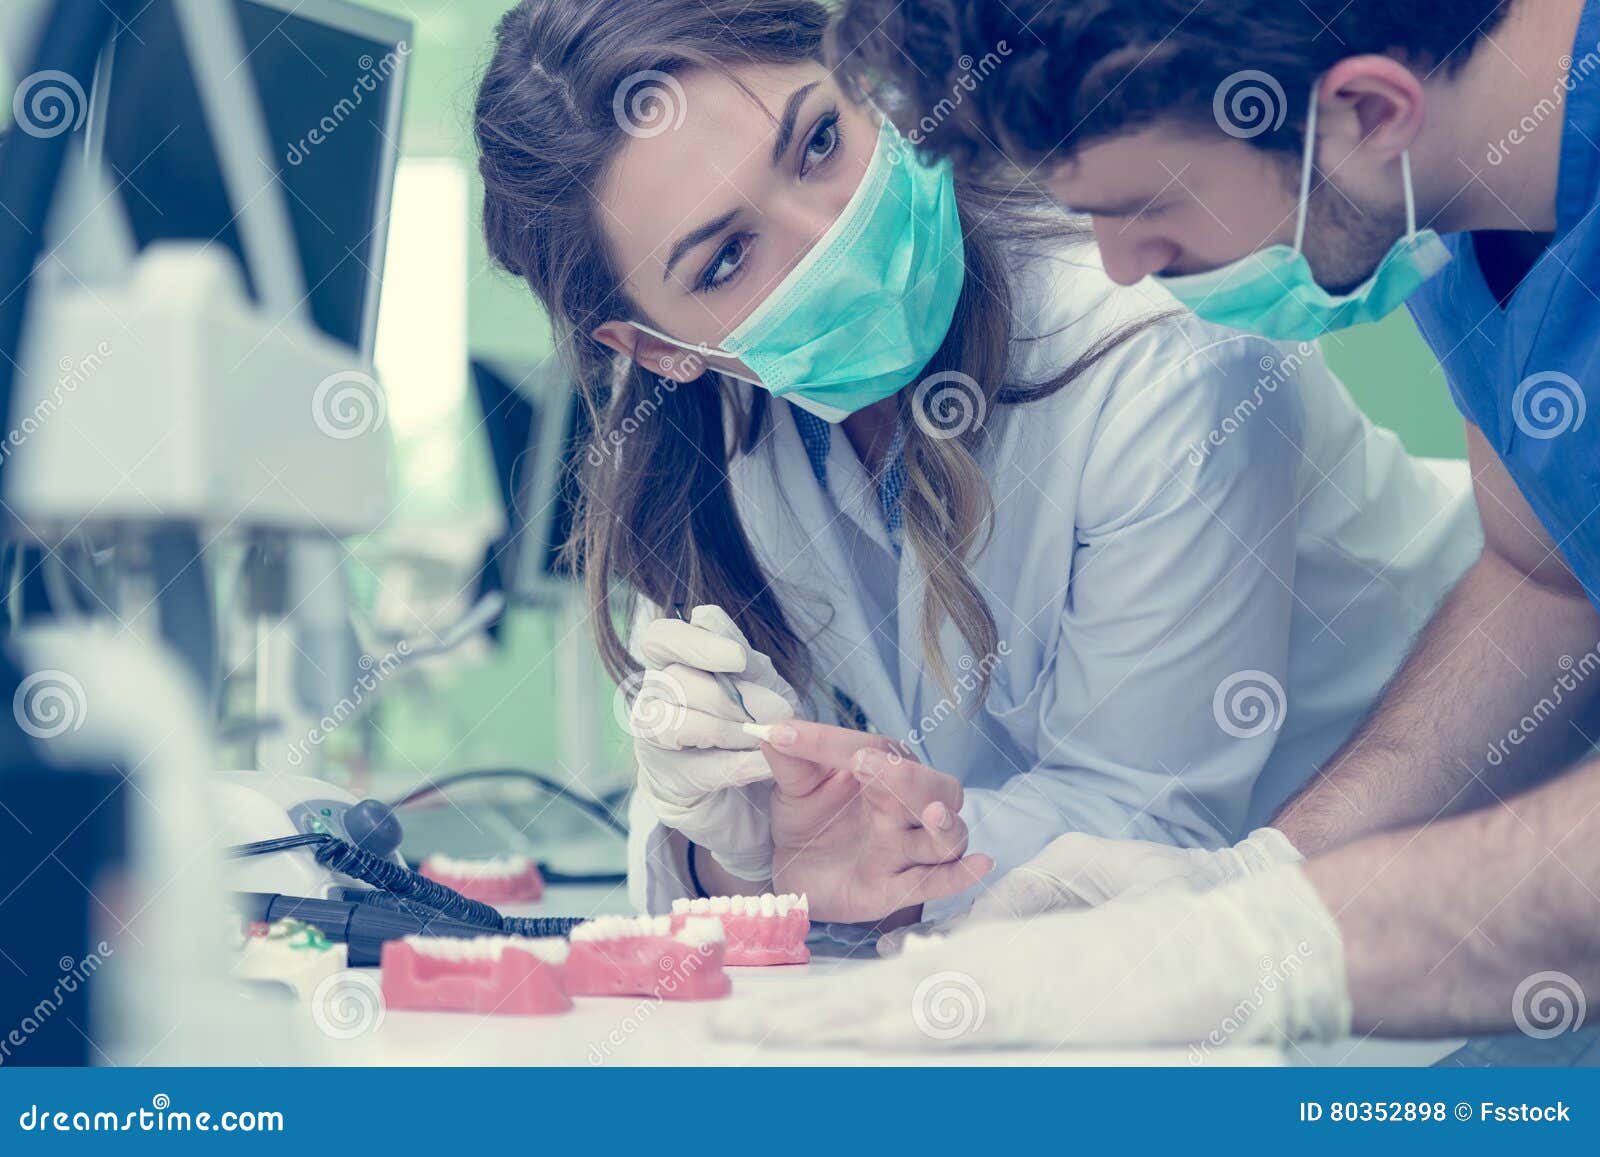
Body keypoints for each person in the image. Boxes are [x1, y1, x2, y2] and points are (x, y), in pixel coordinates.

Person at [472, 0, 1479, 937]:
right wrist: (733, 855)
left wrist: (838, 863)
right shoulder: (712, 436)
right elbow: (704, 803)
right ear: (658, 349)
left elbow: (1147, 825)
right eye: (726, 260)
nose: (826, 238)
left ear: (860, 82)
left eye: (817, 143)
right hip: (1143, 964)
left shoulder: (1158, 342)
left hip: (1424, 907)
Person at [715, 0, 1600, 1051]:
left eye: (1144, 208)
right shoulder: (1448, 208)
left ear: (1367, 111)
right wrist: (1267, 873)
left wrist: (1274, 943)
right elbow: (1544, 578)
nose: (1121, 267)